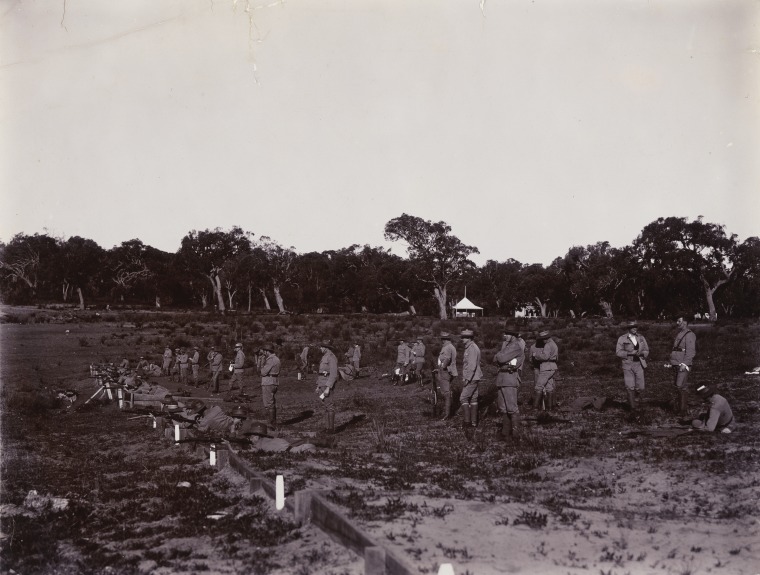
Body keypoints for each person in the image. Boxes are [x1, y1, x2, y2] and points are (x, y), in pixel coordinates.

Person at [493, 327, 524, 442]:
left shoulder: (516, 346)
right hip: (502, 378)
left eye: (507, 334)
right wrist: (500, 357)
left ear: (513, 335)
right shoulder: (507, 346)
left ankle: (516, 434)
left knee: (512, 407)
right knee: (503, 407)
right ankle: (505, 432)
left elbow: (500, 358)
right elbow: (494, 358)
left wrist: (500, 357)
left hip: (509, 378)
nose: (505, 335)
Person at [615, 321, 650, 410]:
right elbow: (618, 352)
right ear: (629, 329)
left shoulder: (641, 337)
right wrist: (631, 353)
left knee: (641, 387)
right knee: (630, 386)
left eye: (636, 327)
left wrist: (641, 353)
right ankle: (633, 408)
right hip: (628, 365)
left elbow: (646, 350)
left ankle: (637, 402)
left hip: (639, 364)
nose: (635, 329)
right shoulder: (622, 338)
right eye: (633, 327)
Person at [666, 314, 696, 415]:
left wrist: (685, 363)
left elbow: (691, 352)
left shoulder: (689, 334)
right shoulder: (680, 333)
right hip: (676, 363)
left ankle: (682, 411)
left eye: (679, 321)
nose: (677, 323)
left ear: (685, 322)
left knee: (680, 386)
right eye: (677, 321)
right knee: (678, 386)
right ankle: (679, 408)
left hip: (683, 364)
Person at [459, 329, 483, 436]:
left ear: (469, 338)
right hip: (475, 376)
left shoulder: (472, 348)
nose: (462, 339)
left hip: (472, 377)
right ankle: (474, 423)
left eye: (464, 337)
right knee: (473, 398)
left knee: (463, 398)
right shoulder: (471, 347)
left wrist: (467, 379)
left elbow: (472, 366)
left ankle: (467, 422)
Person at [530, 330, 559, 410]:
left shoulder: (547, 345)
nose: (542, 340)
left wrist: (536, 355)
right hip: (553, 367)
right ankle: (550, 407)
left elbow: (545, 357)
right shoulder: (554, 344)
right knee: (549, 387)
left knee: (538, 387)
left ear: (546, 338)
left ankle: (535, 408)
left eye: (543, 339)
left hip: (546, 367)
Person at [315, 342, 339, 433]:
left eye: (322, 347)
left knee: (329, 406)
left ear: (326, 348)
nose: (320, 348)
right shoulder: (324, 357)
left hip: (327, 385)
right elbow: (321, 372)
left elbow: (333, 374)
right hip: (322, 384)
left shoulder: (331, 357)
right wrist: (318, 385)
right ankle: (327, 427)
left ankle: (331, 429)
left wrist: (328, 388)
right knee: (325, 405)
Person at [435, 332, 458, 420]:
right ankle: (447, 413)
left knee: (446, 393)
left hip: (445, 372)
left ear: (446, 340)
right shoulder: (448, 347)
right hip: (445, 371)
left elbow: (447, 359)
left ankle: (447, 415)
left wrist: (442, 367)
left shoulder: (448, 347)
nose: (442, 341)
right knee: (446, 392)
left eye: (443, 339)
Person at [259, 343, 280, 426]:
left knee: (268, 404)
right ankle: (272, 422)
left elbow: (263, 372)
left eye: (264, 351)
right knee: (272, 403)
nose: (263, 352)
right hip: (274, 381)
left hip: (268, 382)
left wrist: (261, 364)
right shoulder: (277, 359)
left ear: (267, 351)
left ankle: (271, 423)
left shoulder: (270, 360)